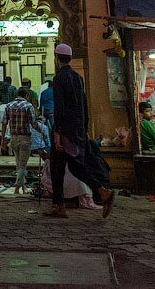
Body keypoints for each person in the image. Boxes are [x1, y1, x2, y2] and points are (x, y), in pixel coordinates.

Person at [47, 43, 115, 219]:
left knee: (57, 168)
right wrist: (83, 129)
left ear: (56, 58)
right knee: (76, 167)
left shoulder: (59, 79)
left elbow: (60, 108)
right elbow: (84, 105)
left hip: (64, 131)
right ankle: (101, 191)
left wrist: (57, 133)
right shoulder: (78, 78)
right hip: (77, 130)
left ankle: (59, 205)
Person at [1, 87, 45, 194]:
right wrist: (41, 131)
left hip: (13, 138)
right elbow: (33, 124)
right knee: (22, 165)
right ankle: (17, 187)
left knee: (18, 163)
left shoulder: (8, 105)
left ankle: (23, 187)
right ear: (27, 96)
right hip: (25, 138)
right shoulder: (28, 106)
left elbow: (4, 123)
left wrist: (2, 138)